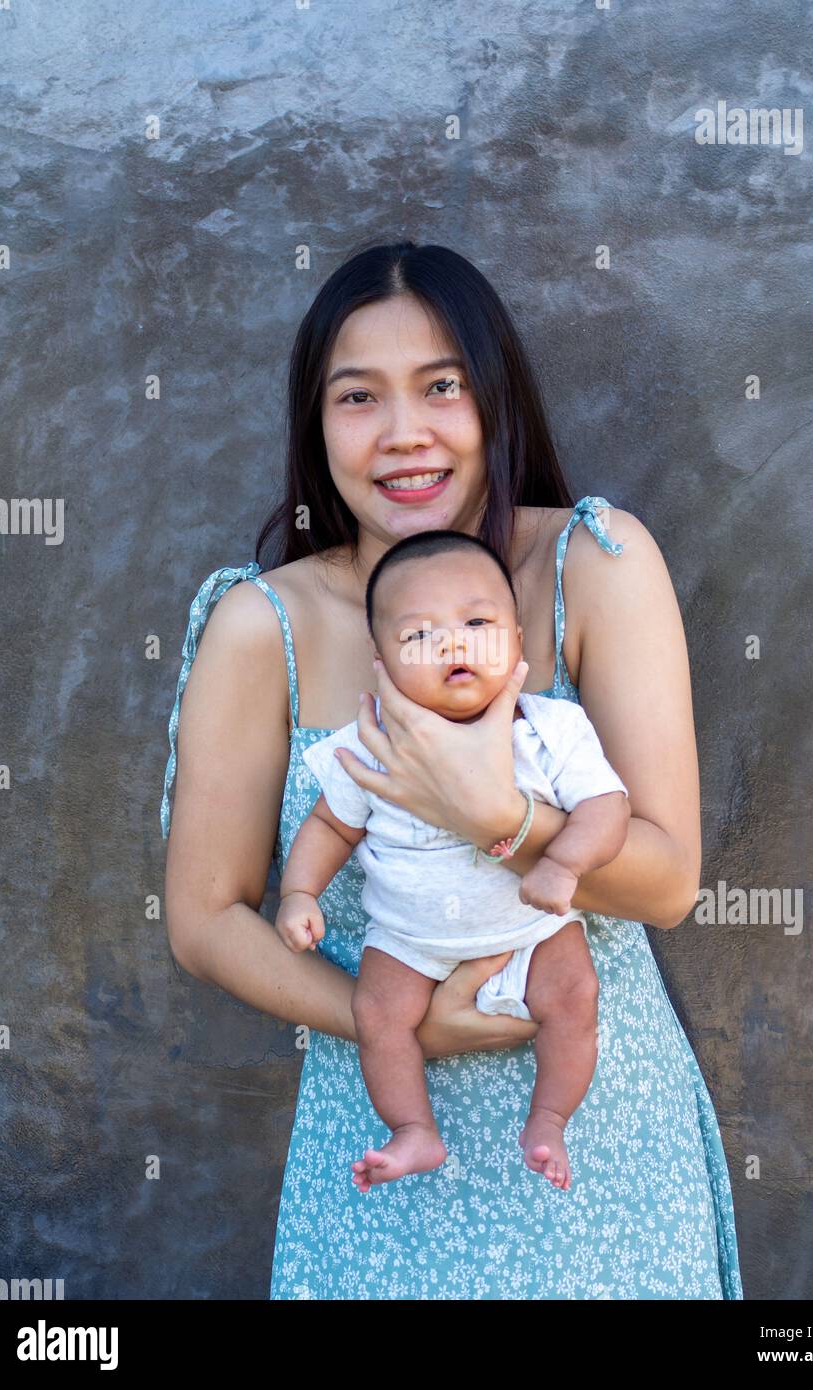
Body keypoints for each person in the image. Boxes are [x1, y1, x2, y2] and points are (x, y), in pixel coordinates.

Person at [160, 239, 744, 1299]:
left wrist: (495, 814)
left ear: (496, 397)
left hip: (602, 1170)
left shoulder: (594, 567)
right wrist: (392, 1022)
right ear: (315, 421)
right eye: (357, 397)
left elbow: (666, 879)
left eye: (443, 386)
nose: (403, 434)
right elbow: (204, 916)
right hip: (382, 1149)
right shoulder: (264, 627)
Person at [275, 528, 631, 1193]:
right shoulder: (372, 742)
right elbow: (330, 824)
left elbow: (607, 809)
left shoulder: (549, 729)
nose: (452, 643)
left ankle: (549, 1118)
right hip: (409, 940)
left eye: (477, 623)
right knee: (377, 1015)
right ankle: (413, 1130)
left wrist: (561, 864)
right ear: (379, 660)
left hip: (532, 929)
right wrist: (299, 893)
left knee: (576, 995)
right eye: (417, 636)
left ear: (520, 640)